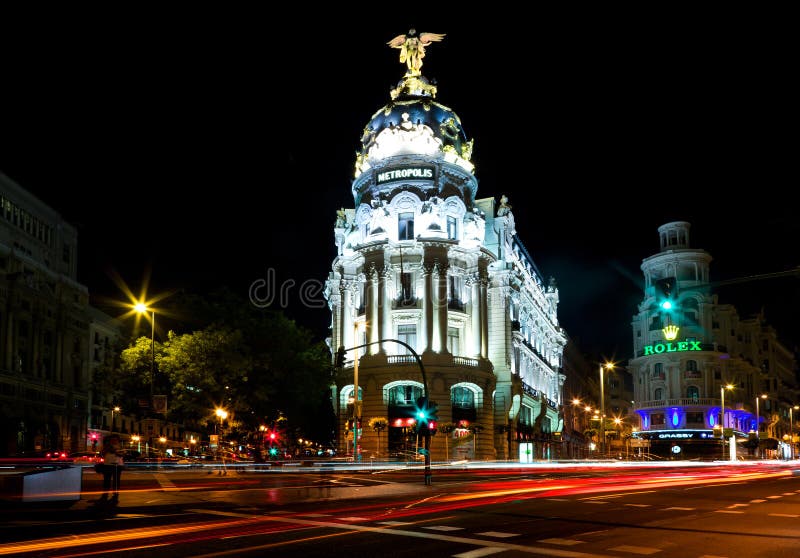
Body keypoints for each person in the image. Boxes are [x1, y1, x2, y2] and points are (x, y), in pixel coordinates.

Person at [99, 434, 123, 504]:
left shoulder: (120, 447)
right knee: (106, 481)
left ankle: (115, 495)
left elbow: (123, 454)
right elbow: (101, 454)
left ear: (118, 440)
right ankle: (105, 495)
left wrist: (117, 452)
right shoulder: (106, 446)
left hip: (117, 465)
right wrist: (105, 450)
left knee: (116, 481)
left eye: (115, 439)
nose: (114, 441)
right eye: (112, 439)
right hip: (107, 465)